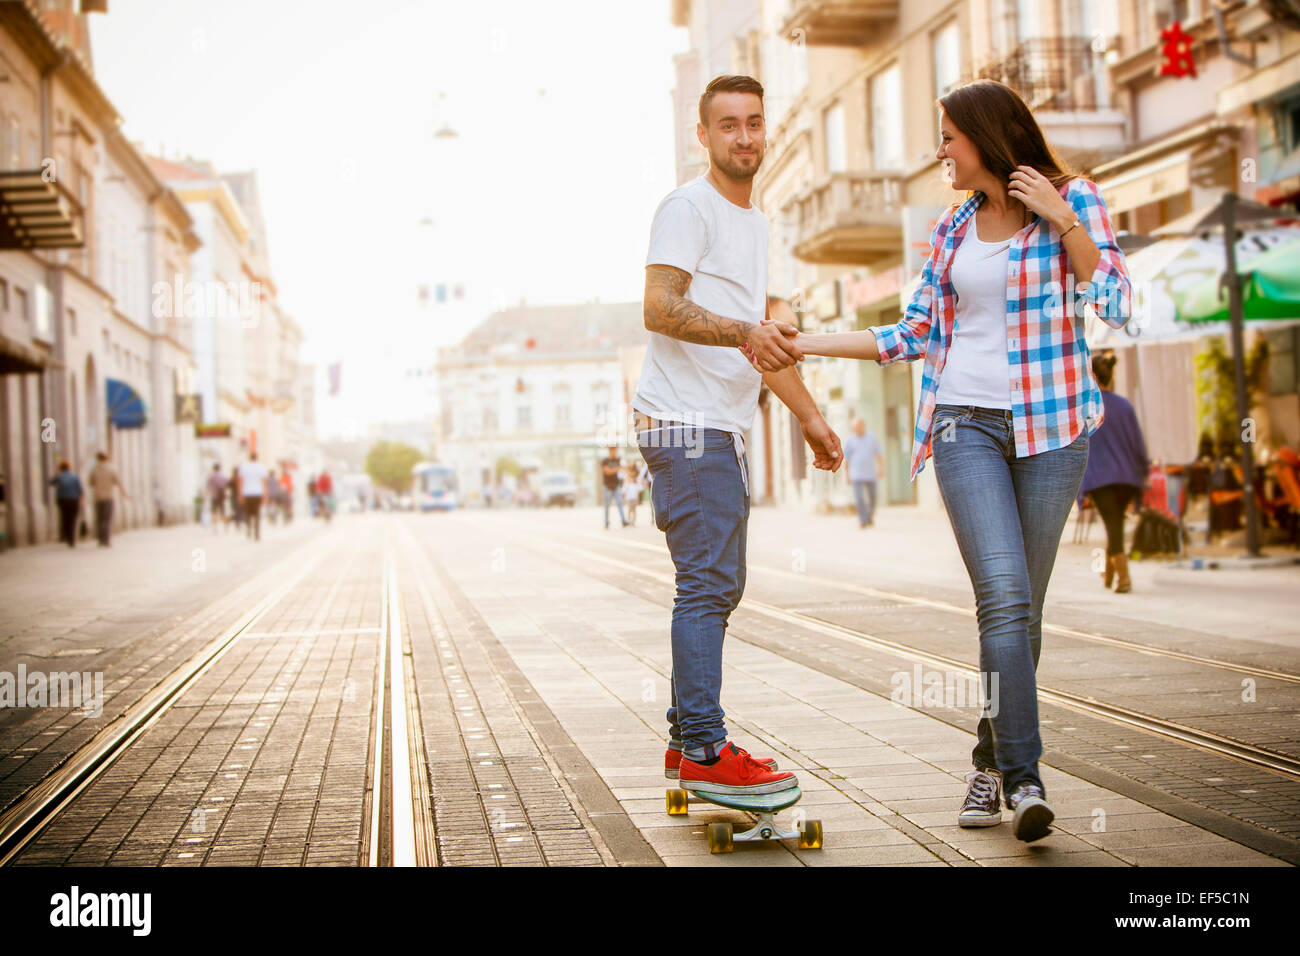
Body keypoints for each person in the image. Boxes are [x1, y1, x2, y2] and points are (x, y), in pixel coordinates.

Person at [760, 79, 1131, 840]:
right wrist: (807, 343)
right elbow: (910, 332)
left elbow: (1120, 305)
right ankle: (1025, 779)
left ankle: (988, 763)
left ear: (989, 138)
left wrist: (1064, 224)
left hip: (1055, 429)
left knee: (1023, 612)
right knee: (1002, 595)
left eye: (949, 138)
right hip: (966, 425)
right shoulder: (953, 227)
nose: (940, 152)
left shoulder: (1075, 199)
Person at [635, 74, 842, 797]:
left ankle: (683, 741)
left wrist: (809, 416)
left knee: (714, 583)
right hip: (687, 426)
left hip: (714, 425)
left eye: (755, 123)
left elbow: (756, 343)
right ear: (704, 136)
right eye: (728, 125)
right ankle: (703, 747)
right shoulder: (689, 207)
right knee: (709, 585)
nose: (745, 137)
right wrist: (743, 330)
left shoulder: (754, 222)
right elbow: (659, 309)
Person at [1079, 350, 1149, 593]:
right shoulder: (1124, 406)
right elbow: (1138, 443)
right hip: (1127, 478)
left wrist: (1079, 489)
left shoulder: (1087, 409)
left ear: (1093, 377)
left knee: (1113, 525)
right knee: (1115, 523)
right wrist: (1144, 471)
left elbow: (1081, 448)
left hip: (1101, 479)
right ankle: (1109, 574)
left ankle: (1124, 578)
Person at [844, 418, 885, 528]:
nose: (856, 429)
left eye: (857, 426)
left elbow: (879, 454)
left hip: (870, 473)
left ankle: (869, 516)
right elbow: (846, 459)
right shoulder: (850, 440)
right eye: (854, 427)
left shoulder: (872, 438)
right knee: (859, 498)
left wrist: (881, 469)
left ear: (863, 426)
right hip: (856, 474)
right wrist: (847, 475)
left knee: (873, 497)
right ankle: (863, 520)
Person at [87, 451, 127, 547]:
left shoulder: (94, 470)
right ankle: (106, 540)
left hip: (97, 498)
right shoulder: (111, 469)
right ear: (106, 458)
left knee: (99, 519)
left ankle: (101, 540)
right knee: (107, 519)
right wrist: (124, 494)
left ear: (97, 459)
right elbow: (118, 482)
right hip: (108, 497)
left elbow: (90, 483)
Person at [48, 460, 84, 548]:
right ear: (69, 467)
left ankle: (67, 537)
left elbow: (50, 482)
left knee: (65, 519)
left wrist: (57, 473)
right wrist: (82, 501)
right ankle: (72, 539)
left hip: (63, 500)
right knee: (72, 519)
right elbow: (80, 490)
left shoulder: (59, 476)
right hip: (74, 500)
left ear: (60, 468)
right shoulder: (75, 477)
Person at [236, 452, 270, 541]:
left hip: (247, 493)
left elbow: (240, 482)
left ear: (249, 458)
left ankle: (249, 529)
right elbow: (264, 483)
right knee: (257, 513)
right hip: (258, 493)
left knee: (248, 513)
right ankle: (257, 533)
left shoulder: (244, 467)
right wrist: (265, 495)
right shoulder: (261, 467)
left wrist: (240, 494)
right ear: (257, 458)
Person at [600, 446, 628, 529]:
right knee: (607, 505)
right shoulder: (605, 461)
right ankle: (606, 522)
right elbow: (608, 472)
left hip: (616, 485)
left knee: (620, 503)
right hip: (607, 486)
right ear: (610, 450)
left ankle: (623, 521)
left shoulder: (617, 460)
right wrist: (618, 468)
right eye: (614, 451)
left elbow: (623, 468)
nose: (615, 452)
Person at [207, 464, 228, 530]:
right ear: (219, 468)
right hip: (221, 496)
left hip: (214, 496)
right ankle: (225, 525)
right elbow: (226, 486)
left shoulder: (211, 477)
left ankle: (215, 526)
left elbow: (209, 486)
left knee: (214, 511)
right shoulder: (223, 477)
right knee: (223, 511)